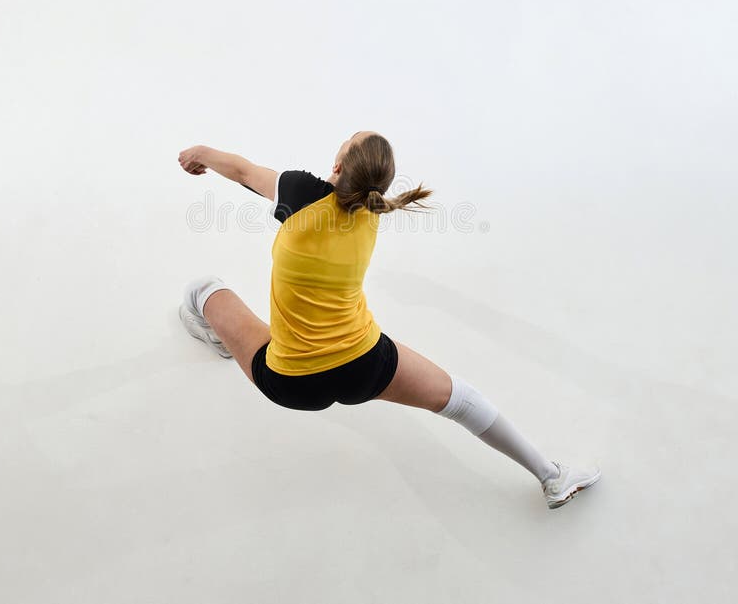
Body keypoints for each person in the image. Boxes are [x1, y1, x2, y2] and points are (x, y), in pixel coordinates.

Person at [177, 131, 601, 509]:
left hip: (291, 379)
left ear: (338, 166)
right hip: (365, 366)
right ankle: (551, 477)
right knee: (461, 401)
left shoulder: (302, 193)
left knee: (204, 288)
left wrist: (201, 152)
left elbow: (243, 171)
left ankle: (214, 336)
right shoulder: (373, 211)